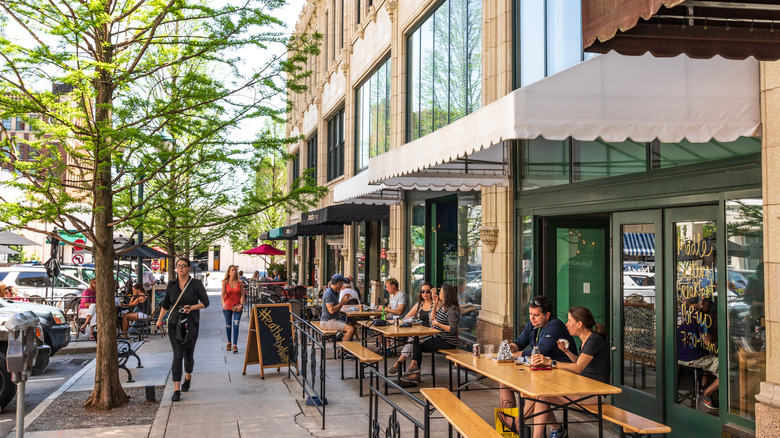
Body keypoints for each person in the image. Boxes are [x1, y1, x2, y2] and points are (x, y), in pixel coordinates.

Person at [525, 307, 610, 438]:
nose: (566, 324)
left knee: (541, 395)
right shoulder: (587, 340)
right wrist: (566, 352)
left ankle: (521, 425)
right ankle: (551, 431)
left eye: (569, 321)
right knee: (541, 395)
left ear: (579, 324)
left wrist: (550, 363)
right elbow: (580, 362)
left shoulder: (594, 340)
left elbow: (578, 368)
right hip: (584, 387)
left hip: (595, 393)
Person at [498, 296, 578, 434]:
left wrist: (514, 355)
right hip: (543, 371)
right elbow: (521, 341)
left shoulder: (555, 326)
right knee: (504, 384)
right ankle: (510, 427)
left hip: (563, 372)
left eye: (536, 315)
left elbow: (539, 351)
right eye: (530, 314)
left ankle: (516, 423)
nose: (532, 318)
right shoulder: (533, 325)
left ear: (547, 315)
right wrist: (511, 346)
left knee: (535, 392)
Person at [156, 257, 209, 402]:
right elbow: (166, 303)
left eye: (183, 266)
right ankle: (176, 389)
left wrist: (191, 308)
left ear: (188, 268)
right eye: (178, 266)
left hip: (191, 323)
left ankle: (188, 375)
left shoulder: (196, 284)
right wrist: (160, 320)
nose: (181, 268)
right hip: (174, 322)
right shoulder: (172, 285)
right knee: (177, 355)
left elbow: (206, 302)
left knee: (189, 355)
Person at [400, 283, 460, 384]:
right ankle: (414, 370)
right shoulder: (443, 307)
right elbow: (432, 319)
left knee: (418, 344)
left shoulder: (452, 310)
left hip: (448, 341)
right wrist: (435, 303)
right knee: (416, 341)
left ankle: (414, 370)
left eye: (440, 292)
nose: (439, 294)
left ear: (446, 294)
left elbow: (453, 329)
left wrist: (439, 324)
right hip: (439, 337)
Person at [677, 297, 719, 408]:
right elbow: (707, 341)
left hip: (678, 355)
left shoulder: (684, 313)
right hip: (692, 357)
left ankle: (702, 388)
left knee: (710, 360)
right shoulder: (701, 316)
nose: (710, 305)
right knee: (728, 368)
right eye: (708, 302)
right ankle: (706, 395)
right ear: (701, 303)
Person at [388, 283, 435, 374]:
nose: (425, 293)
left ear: (432, 292)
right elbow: (406, 317)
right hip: (420, 331)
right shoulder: (420, 304)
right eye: (422, 291)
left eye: (428, 291)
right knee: (414, 339)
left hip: (432, 332)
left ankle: (400, 362)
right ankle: (414, 369)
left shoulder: (436, 304)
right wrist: (413, 322)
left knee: (413, 340)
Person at [320, 274, 355, 342]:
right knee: (350, 329)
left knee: (354, 327)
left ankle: (344, 342)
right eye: (342, 284)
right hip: (327, 322)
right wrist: (342, 302)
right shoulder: (329, 294)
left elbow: (337, 309)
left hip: (333, 320)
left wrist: (342, 300)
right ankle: (342, 350)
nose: (342, 286)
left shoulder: (334, 292)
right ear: (338, 283)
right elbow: (331, 310)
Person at [221, 265, 245, 354]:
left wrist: (241, 304)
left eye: (235, 270)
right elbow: (222, 294)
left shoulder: (240, 282)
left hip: (237, 306)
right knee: (228, 325)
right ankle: (229, 342)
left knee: (236, 324)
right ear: (229, 272)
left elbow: (242, 294)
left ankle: (235, 345)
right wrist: (223, 304)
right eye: (232, 270)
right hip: (228, 307)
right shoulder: (225, 282)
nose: (234, 272)